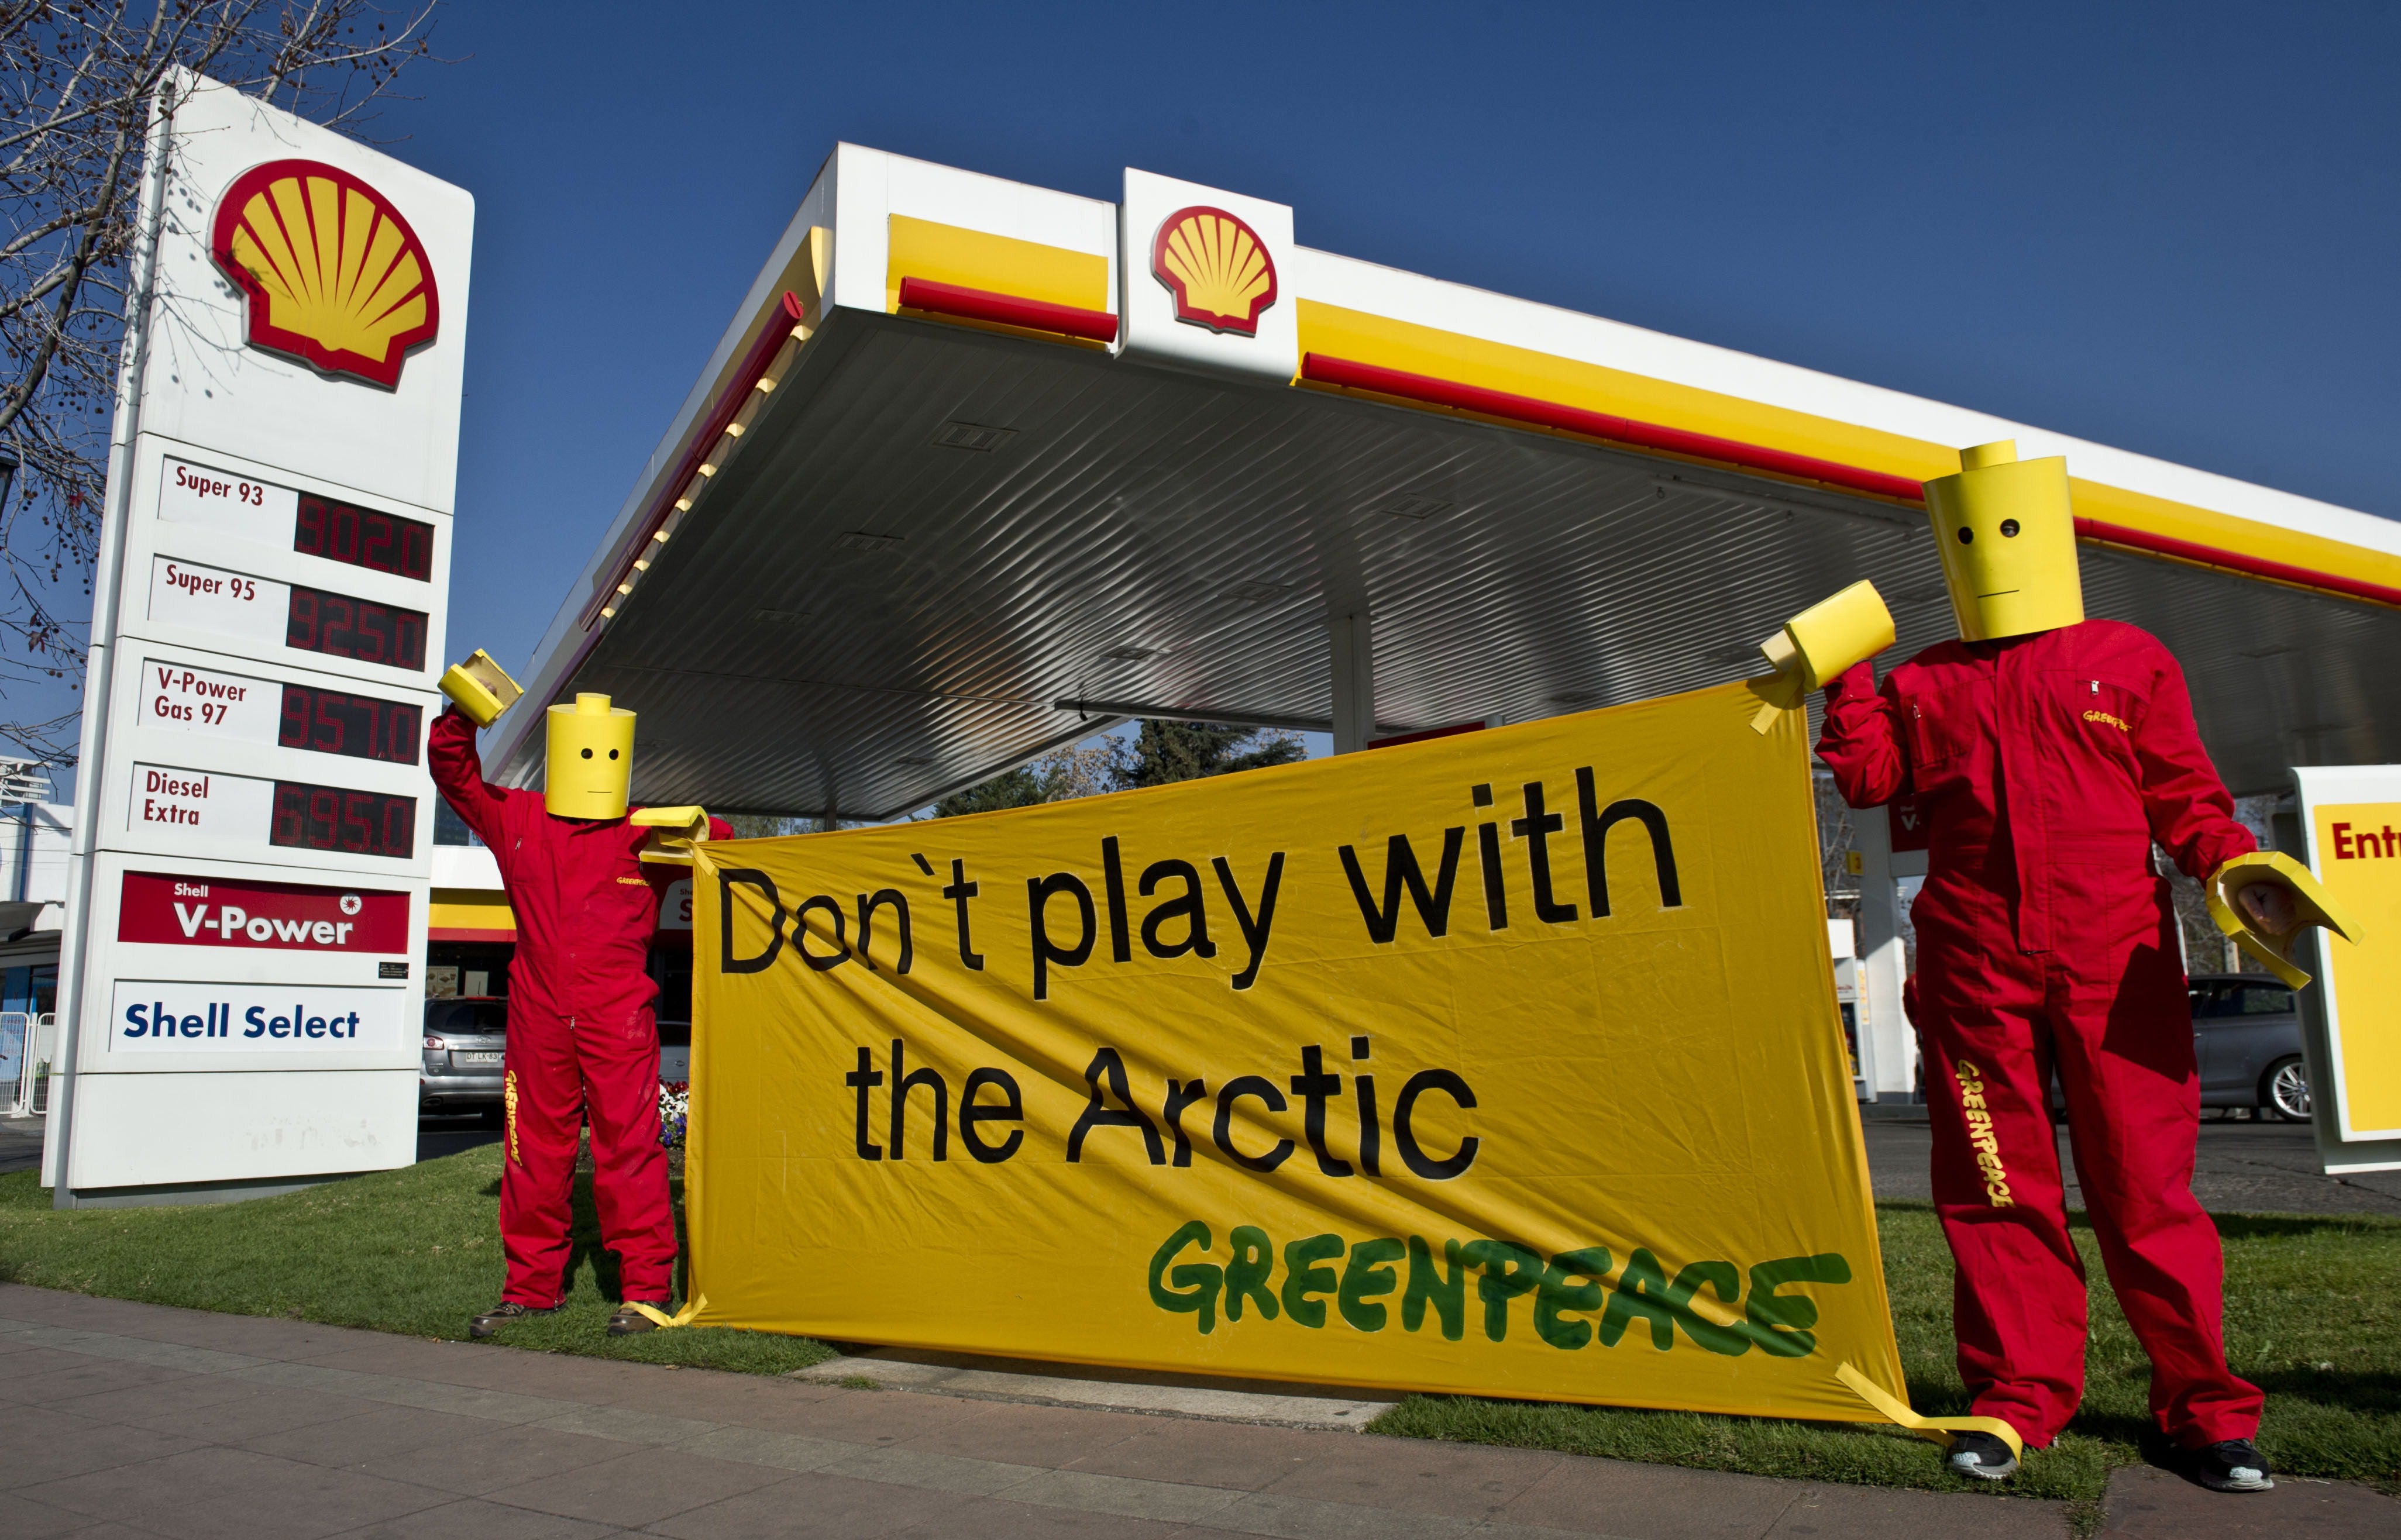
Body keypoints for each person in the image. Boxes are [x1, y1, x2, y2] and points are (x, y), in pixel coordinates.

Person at [1805, 441, 2327, 1494]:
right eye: (1965, 532)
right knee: (1996, 1189)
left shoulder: (2126, 660)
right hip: (1971, 962)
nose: (1983, 550)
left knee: (2145, 1194)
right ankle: (2012, 1399)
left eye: (1998, 527)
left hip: (2114, 955)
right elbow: (1865, 774)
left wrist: (2234, 865)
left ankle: (2205, 1414)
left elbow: (2184, 795)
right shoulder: (1925, 681)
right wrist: (1846, 667)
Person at [428, 677, 725, 1338]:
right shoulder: (518, 817)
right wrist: (460, 716)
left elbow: (722, 844)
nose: (597, 765)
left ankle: (645, 1290)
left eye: (606, 755)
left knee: (632, 1149)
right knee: (530, 1151)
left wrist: (699, 823)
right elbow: (453, 774)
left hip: (618, 1014)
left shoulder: (640, 831)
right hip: (537, 1014)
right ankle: (531, 1290)